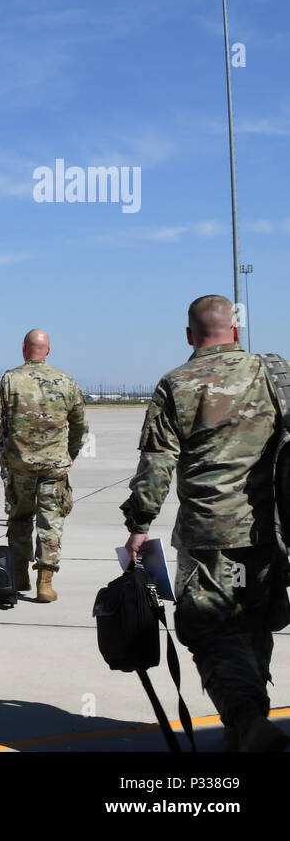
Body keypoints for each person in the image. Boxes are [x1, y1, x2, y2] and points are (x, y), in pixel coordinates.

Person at [122, 295, 288, 750]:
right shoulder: (276, 374)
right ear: (236, 330)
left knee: (209, 630)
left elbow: (157, 463)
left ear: (190, 335)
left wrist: (139, 523)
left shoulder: (177, 383)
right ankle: (245, 728)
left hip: (209, 534)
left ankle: (247, 720)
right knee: (251, 624)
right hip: (269, 532)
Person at [0, 329, 87, 602]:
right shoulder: (66, 382)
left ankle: (20, 573)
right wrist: (68, 454)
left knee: (20, 517)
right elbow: (81, 426)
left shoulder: (8, 380)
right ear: (48, 350)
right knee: (51, 521)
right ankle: (45, 583)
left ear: (24, 348)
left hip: (19, 465)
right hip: (54, 466)